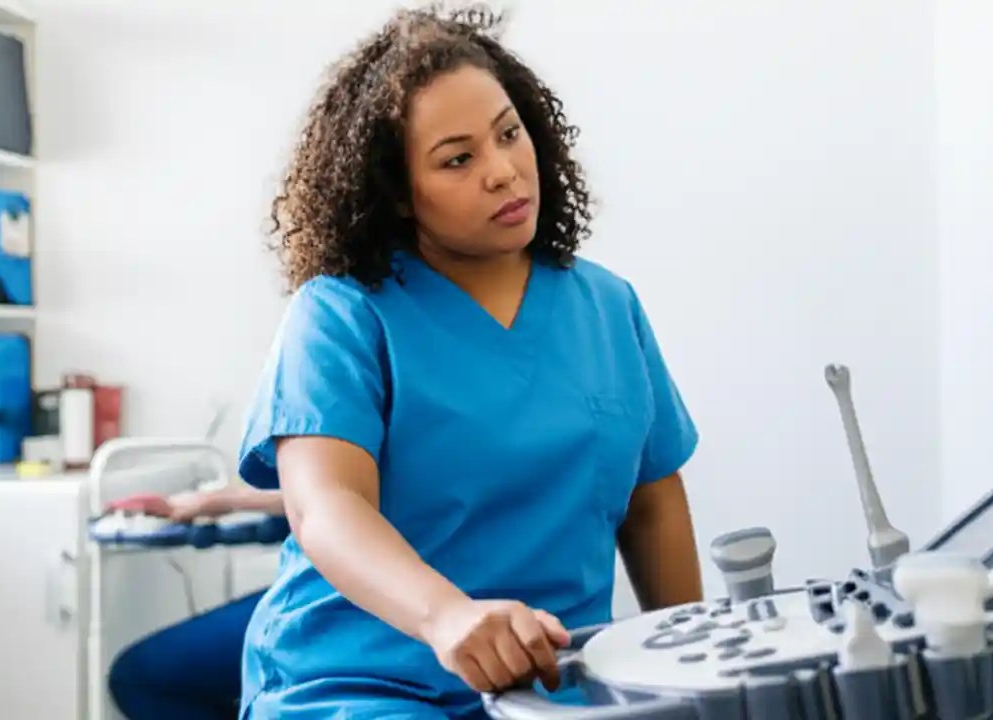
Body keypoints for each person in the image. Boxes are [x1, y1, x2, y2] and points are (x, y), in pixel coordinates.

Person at [236, 4, 704, 718]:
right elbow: (325, 504)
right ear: (396, 194)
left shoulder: (609, 307)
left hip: (558, 686)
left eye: (509, 135)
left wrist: (692, 665)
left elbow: (652, 502)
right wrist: (446, 616)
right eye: (458, 159)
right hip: (364, 684)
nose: (504, 171)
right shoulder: (343, 315)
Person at [107, 485, 284, 720]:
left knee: (140, 678)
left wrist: (223, 501)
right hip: (322, 583)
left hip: (330, 598)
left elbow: (324, 498)